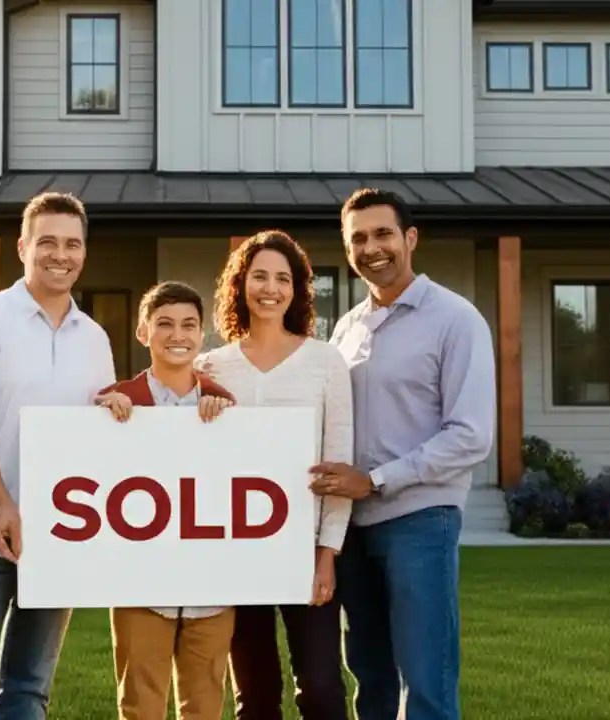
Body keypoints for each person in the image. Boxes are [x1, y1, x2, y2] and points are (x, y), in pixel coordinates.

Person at [0, 191, 117, 720]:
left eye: (73, 244)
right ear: (23, 247)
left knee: (28, 693)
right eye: (48, 242)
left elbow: (96, 436)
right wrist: (2, 502)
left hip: (56, 541)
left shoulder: (95, 339)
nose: (61, 255)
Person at [311, 188, 496, 720]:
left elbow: (470, 435)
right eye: (359, 238)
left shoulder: (456, 320)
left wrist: (373, 479)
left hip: (420, 520)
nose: (372, 247)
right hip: (352, 526)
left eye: (383, 233)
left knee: (427, 678)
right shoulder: (346, 327)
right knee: (369, 676)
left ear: (410, 238)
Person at [194, 230, 354, 720]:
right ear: (240, 285)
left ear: (298, 289)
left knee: (322, 689)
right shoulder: (210, 365)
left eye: (283, 278)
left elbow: (337, 462)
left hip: (305, 550)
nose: (271, 288)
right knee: (256, 696)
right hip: (238, 550)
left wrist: (326, 557)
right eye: (259, 275)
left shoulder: (326, 362)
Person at [94, 280, 238, 720]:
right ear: (144, 332)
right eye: (165, 324)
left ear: (202, 334)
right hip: (142, 588)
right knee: (140, 704)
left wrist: (228, 426)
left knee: (205, 705)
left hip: (209, 589)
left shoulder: (224, 403)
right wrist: (102, 419)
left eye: (189, 325)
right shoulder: (117, 404)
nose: (178, 335)